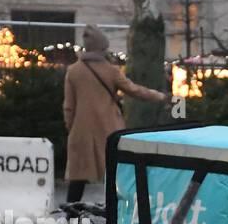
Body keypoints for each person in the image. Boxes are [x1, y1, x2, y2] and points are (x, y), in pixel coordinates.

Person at [63, 25, 168, 203]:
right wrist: (160, 96)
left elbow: (69, 106)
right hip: (109, 129)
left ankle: (70, 218)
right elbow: (134, 90)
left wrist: (72, 127)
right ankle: (113, 217)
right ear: (103, 47)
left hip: (81, 131)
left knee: (78, 177)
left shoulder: (73, 71)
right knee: (113, 175)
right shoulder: (111, 70)